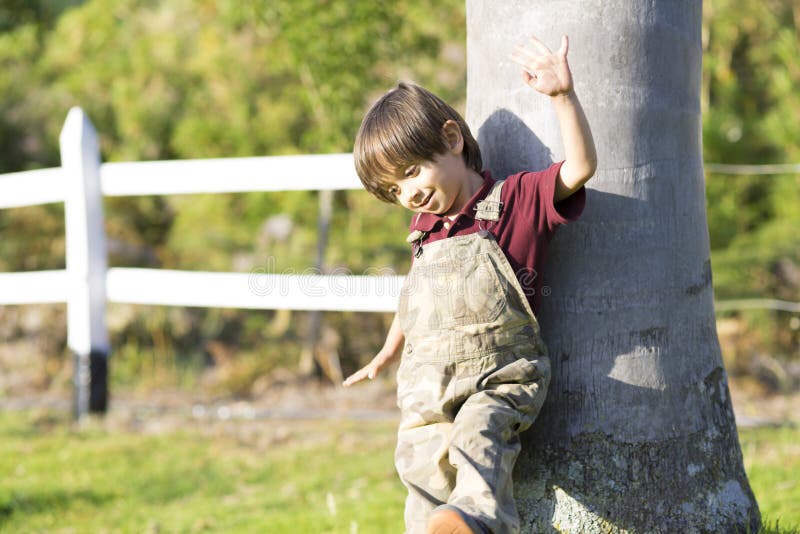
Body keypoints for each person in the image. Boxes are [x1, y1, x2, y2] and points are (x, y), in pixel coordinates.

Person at [343, 34, 596, 534]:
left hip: (496, 377)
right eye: (395, 189)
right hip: (427, 384)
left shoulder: (517, 200)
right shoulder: (423, 231)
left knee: (478, 438)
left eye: (412, 172)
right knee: (418, 465)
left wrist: (563, 97)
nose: (409, 193)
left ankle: (475, 524)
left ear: (452, 139)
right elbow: (417, 294)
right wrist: (388, 348)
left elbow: (581, 168)